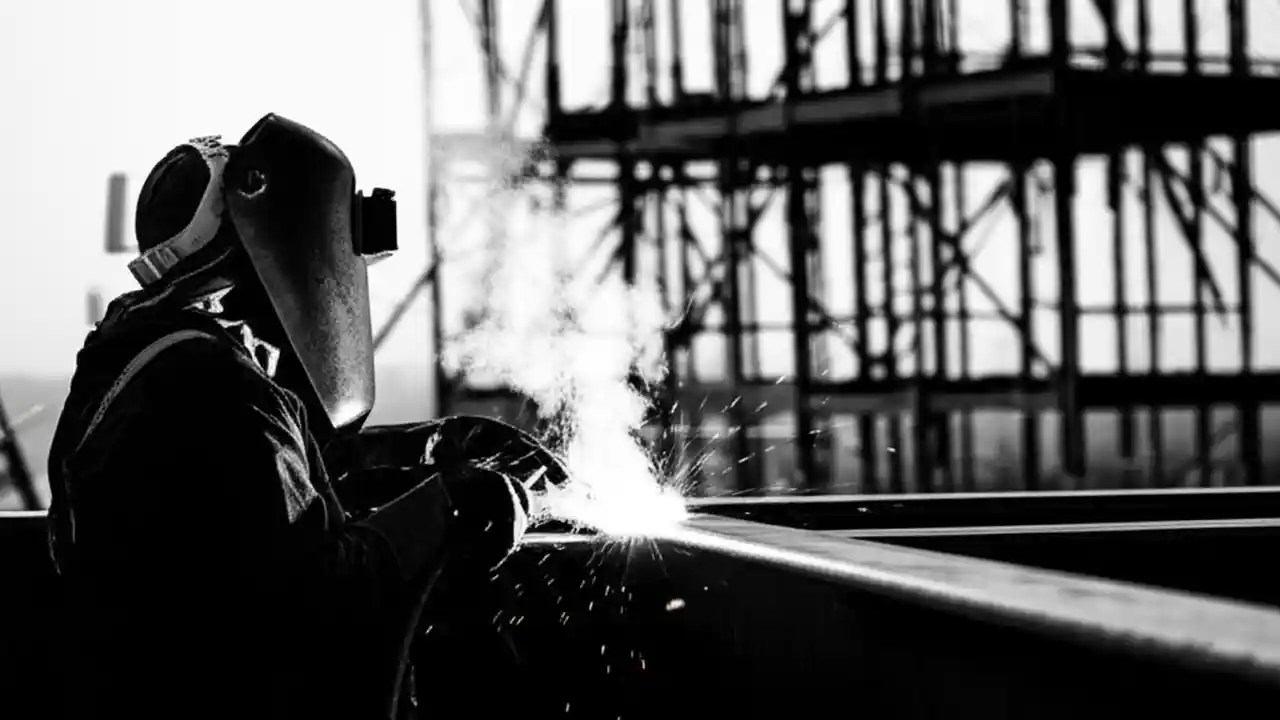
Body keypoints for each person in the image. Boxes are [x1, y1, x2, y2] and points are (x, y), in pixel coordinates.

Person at [46, 114, 534, 719]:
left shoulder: (136, 365)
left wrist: (431, 449)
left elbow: (254, 497)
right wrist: (451, 506)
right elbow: (323, 599)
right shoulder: (219, 389)